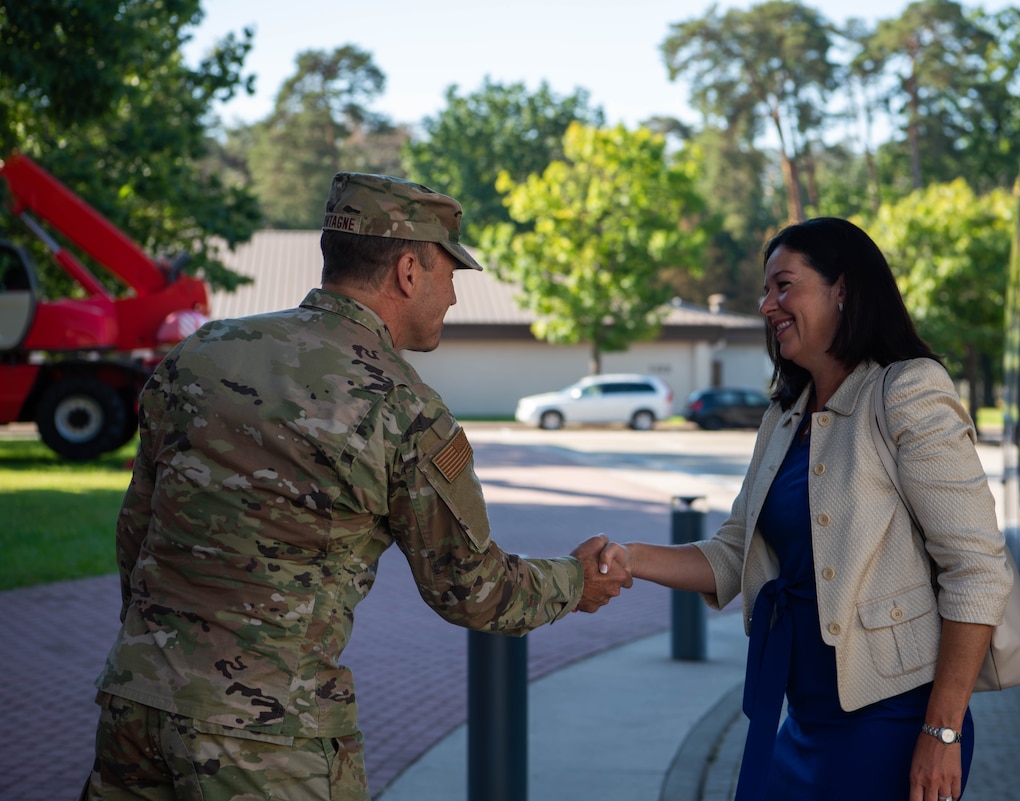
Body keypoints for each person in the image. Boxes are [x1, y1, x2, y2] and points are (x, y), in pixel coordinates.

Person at [81, 172, 632, 801]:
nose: (453, 296)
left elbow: (137, 531)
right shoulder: (402, 407)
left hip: (134, 707)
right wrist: (576, 581)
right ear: (407, 270)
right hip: (269, 736)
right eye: (449, 273)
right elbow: (471, 591)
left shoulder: (202, 353)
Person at [601, 218, 1010, 801]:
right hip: (802, 717)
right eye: (765, 292)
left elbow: (976, 570)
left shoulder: (906, 391)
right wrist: (630, 557)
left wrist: (941, 731)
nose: (768, 305)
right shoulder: (783, 416)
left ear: (841, 288)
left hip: (895, 719)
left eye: (783, 285)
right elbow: (735, 553)